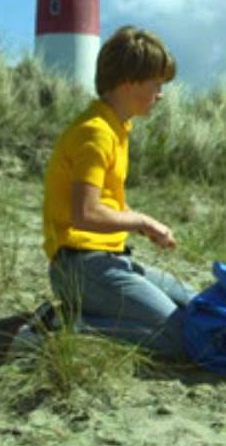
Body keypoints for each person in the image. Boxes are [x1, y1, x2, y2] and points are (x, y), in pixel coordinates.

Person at [35, 25, 194, 357]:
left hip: (108, 259)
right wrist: (144, 223)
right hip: (78, 267)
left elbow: (103, 203)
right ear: (129, 81)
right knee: (180, 337)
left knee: (194, 305)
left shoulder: (115, 127)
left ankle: (82, 317)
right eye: (157, 83)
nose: (161, 94)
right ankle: (63, 324)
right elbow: (86, 214)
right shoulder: (96, 133)